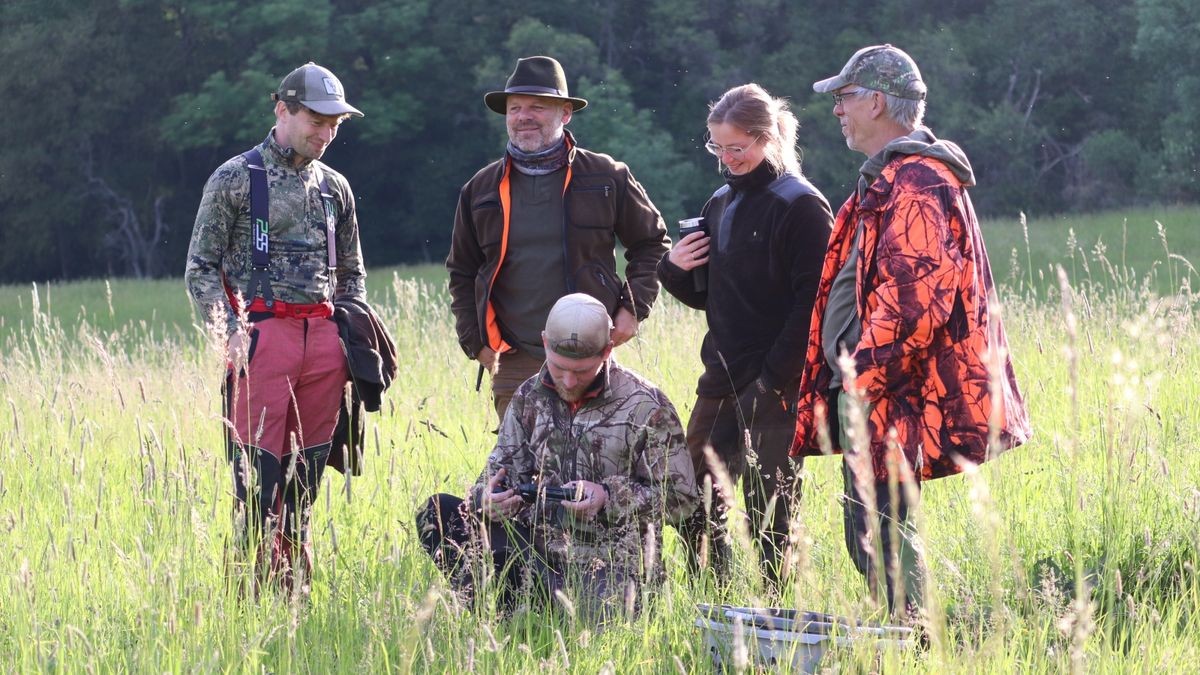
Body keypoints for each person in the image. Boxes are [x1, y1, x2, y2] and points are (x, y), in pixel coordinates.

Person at [794, 44, 1032, 617]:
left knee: (876, 531)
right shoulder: (897, 176)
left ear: (877, 101)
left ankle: (918, 641)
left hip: (890, 389)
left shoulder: (918, 181)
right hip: (882, 387)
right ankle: (913, 635)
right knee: (873, 528)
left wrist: (859, 375)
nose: (838, 110)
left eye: (845, 98)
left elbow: (914, 304)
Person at [184, 62, 367, 595]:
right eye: (316, 119)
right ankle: (245, 597)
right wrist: (230, 336)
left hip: (324, 342)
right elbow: (200, 267)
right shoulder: (235, 178)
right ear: (281, 110)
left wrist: (347, 336)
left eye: (335, 123)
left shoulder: (337, 188)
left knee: (304, 484)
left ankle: (295, 595)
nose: (327, 132)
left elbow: (352, 273)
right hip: (261, 339)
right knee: (255, 483)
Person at [416, 293, 698, 622]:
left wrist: (608, 497)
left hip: (610, 569)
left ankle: (534, 612)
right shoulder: (527, 398)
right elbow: (492, 477)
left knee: (593, 614)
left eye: (581, 371)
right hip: (536, 554)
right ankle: (506, 619)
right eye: (559, 366)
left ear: (607, 350)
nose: (568, 381)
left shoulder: (646, 407)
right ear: (545, 343)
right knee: (437, 513)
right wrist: (487, 500)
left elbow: (682, 499)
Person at [657, 84, 833, 589]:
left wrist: (774, 380)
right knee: (689, 493)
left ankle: (779, 615)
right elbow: (710, 297)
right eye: (718, 148)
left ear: (768, 138)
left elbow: (811, 307)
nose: (728, 159)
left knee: (770, 512)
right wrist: (673, 269)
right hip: (721, 377)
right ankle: (711, 600)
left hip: (777, 384)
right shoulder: (721, 201)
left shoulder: (801, 206)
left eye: (738, 148)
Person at [447, 55, 671, 420]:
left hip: (591, 353)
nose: (523, 116)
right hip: (515, 357)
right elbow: (462, 271)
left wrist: (632, 310)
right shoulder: (481, 189)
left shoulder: (606, 176)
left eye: (537, 106)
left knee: (597, 465)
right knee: (524, 472)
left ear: (565, 113)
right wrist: (478, 345)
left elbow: (651, 245)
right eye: (515, 107)